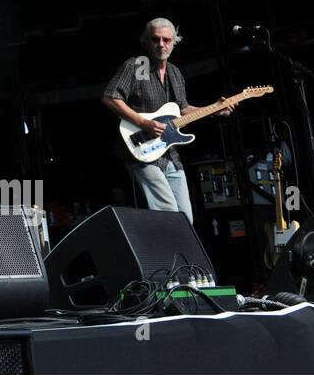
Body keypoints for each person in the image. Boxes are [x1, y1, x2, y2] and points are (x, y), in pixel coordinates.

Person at [100, 17, 234, 223]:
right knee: (168, 213)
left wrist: (214, 109)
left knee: (185, 217)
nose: (161, 44)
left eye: (166, 40)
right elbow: (110, 97)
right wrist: (144, 123)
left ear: (174, 42)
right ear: (146, 41)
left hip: (169, 152)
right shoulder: (138, 65)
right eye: (155, 39)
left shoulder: (174, 72)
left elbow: (182, 110)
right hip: (141, 149)